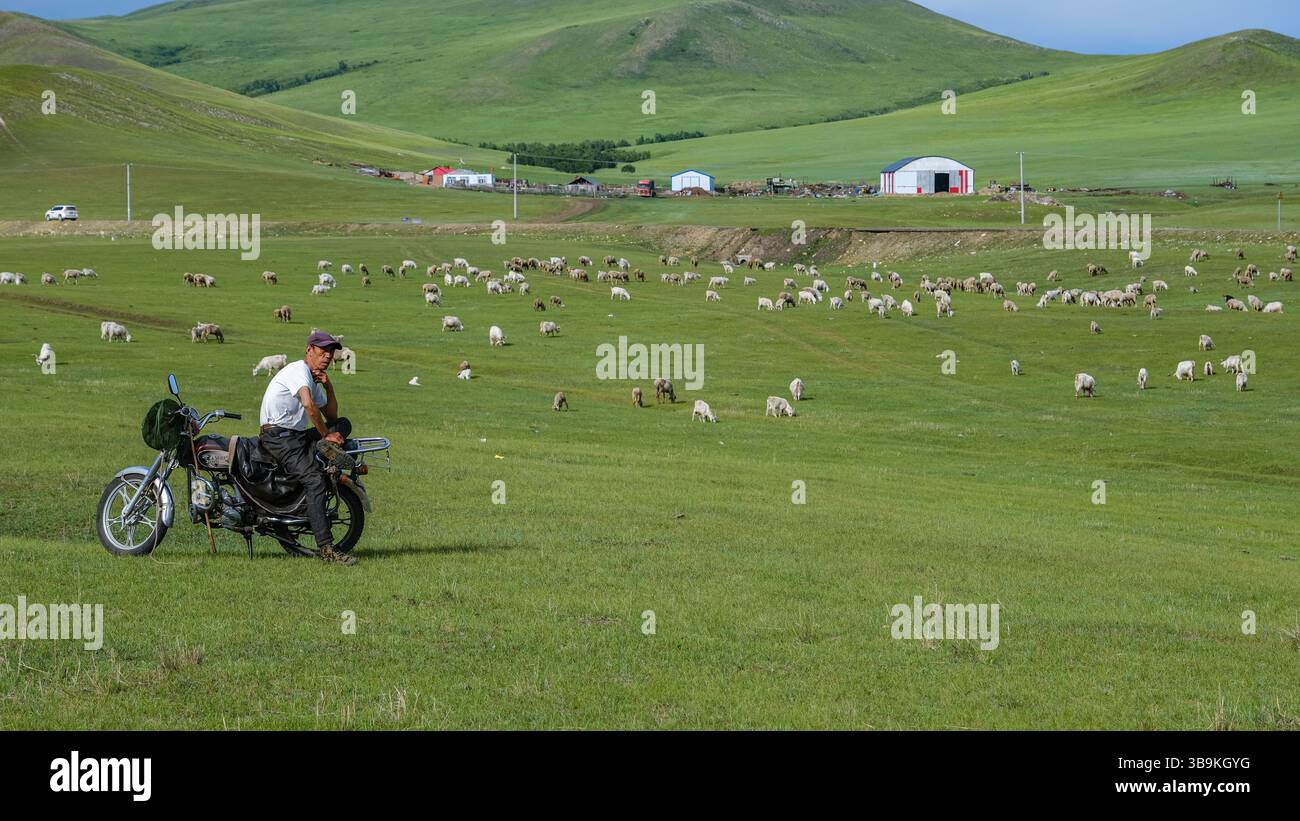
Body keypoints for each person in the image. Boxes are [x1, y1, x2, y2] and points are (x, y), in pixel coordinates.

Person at [258, 330, 356, 565]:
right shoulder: (298, 371)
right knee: (314, 481)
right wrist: (326, 435)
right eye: (323, 351)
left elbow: (331, 414)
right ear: (309, 350)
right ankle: (327, 550)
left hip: (296, 435)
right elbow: (309, 405)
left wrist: (330, 387)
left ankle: (326, 449)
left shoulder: (312, 379)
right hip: (279, 437)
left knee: (343, 424)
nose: (327, 357)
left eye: (331, 353)